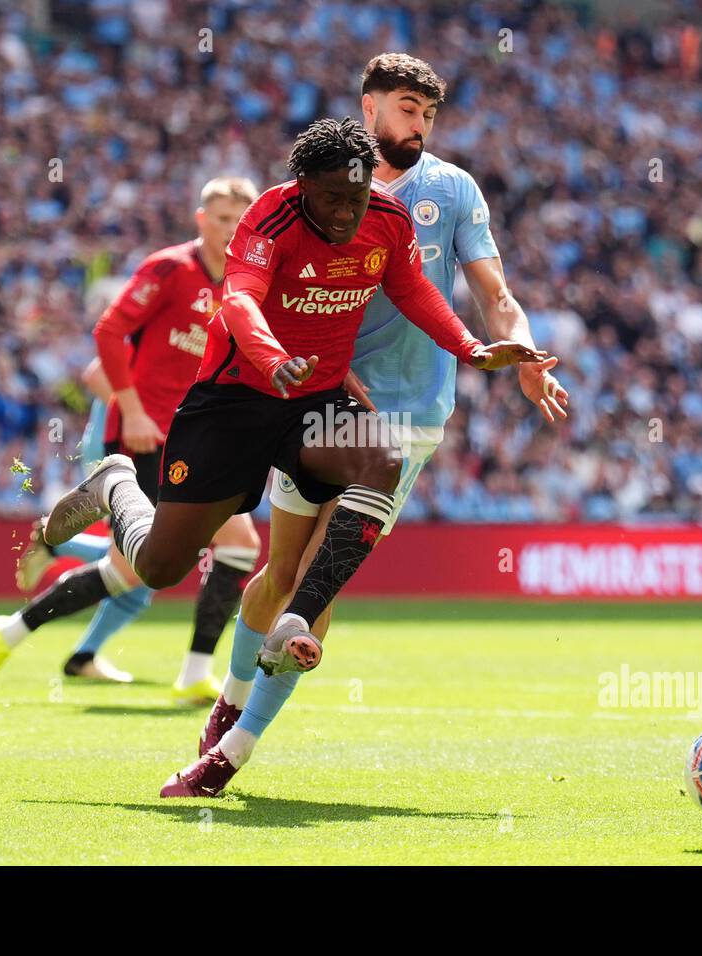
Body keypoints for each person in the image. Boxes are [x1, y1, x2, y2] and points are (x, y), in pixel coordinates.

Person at [33, 116, 549, 796]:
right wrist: (273, 359)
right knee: (158, 567)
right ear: (301, 184)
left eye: (357, 198)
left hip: (315, 397)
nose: (345, 212)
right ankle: (114, 485)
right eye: (332, 197)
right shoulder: (269, 219)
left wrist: (472, 348)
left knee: (378, 457)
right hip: (236, 399)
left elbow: (413, 289)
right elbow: (240, 299)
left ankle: (299, 619)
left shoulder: (388, 221)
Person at [175, 53, 570, 796]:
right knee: (278, 574)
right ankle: (226, 703)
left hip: (409, 416)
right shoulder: (317, 188)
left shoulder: (452, 191)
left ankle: (233, 753)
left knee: (316, 587)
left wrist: (518, 352)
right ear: (369, 108)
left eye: (428, 114)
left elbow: (494, 291)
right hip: (318, 404)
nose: (418, 124)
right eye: (407, 109)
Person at [0, 177, 263, 703]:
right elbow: (107, 334)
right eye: (220, 219)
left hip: (197, 439)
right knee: (136, 571)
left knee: (222, 549)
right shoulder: (169, 269)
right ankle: (17, 631)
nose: (230, 230)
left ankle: (189, 671)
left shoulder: (244, 286)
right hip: (145, 436)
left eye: (239, 221)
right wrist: (129, 409)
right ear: (201, 220)